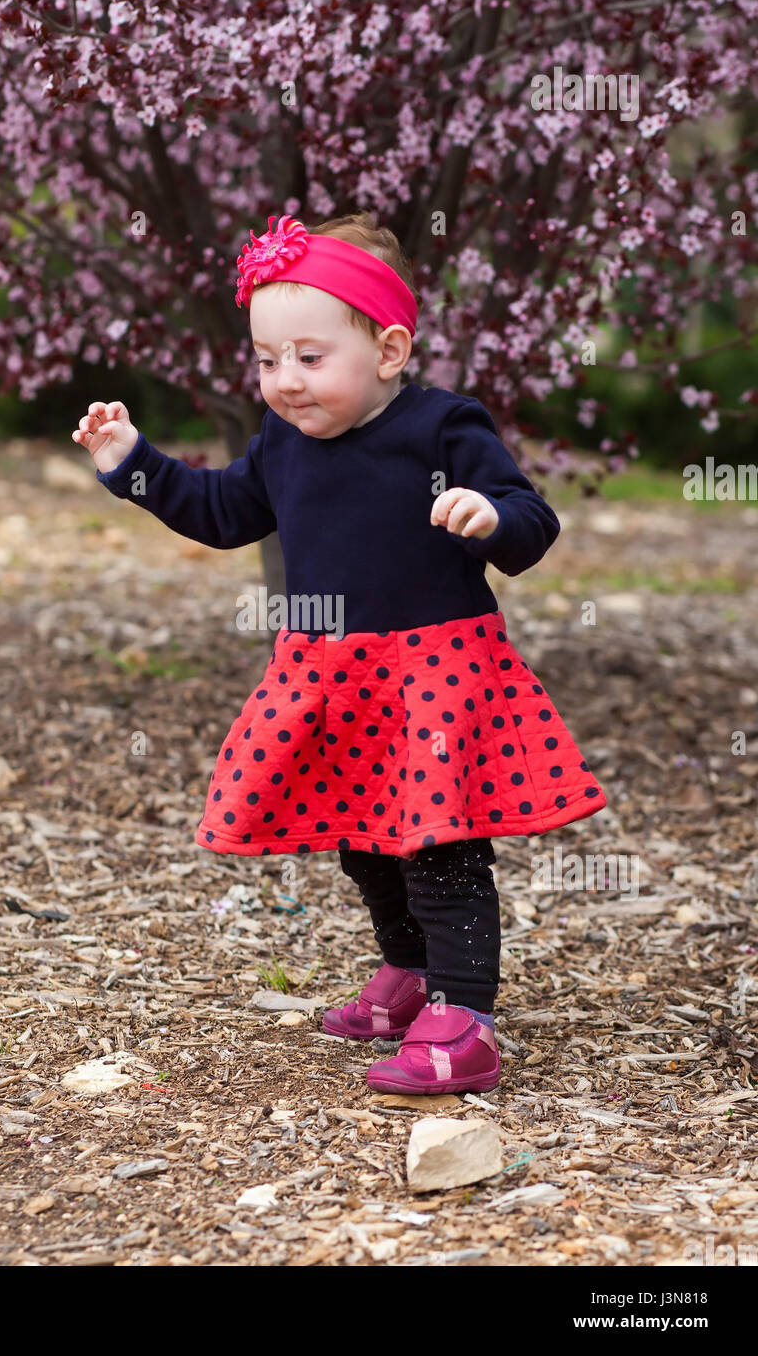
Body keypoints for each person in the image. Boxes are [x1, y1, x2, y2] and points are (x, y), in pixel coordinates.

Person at [72, 210, 607, 1096]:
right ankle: (407, 972)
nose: (284, 381)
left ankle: (467, 1017)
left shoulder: (441, 429)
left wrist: (490, 516)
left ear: (389, 352)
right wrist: (133, 463)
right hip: (331, 674)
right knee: (364, 837)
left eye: (309, 358)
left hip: (435, 671)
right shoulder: (285, 441)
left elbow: (531, 517)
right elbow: (222, 512)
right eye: (266, 359)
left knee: (440, 845)